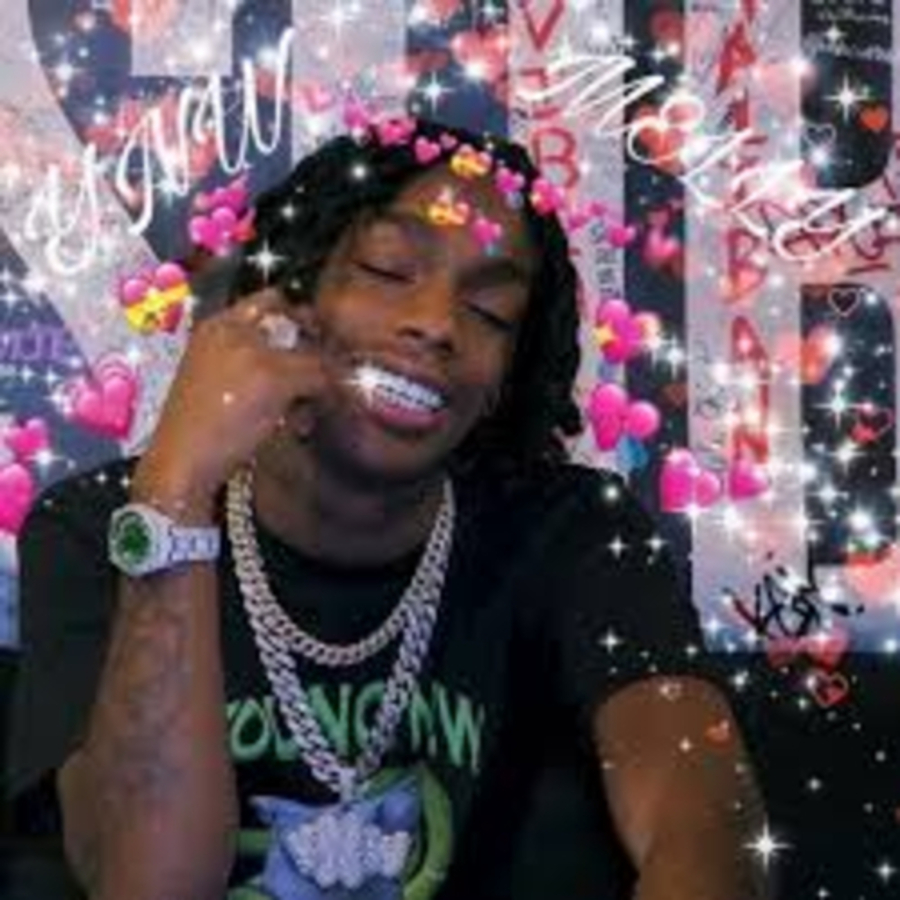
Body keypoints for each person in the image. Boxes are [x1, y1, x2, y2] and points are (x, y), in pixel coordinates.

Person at [6, 116, 770, 900]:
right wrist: (174, 493)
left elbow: (712, 836)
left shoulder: (572, 535)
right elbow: (146, 885)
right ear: (286, 294)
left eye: (489, 313)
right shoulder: (102, 528)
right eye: (387, 269)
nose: (436, 324)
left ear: (506, 377)